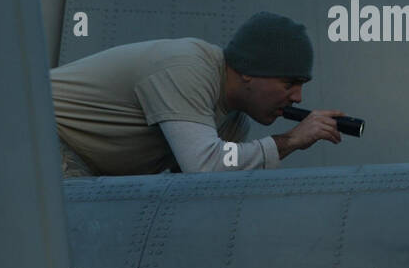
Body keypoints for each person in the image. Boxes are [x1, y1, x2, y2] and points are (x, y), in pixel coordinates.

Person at [50, 12, 342, 177]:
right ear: (250, 71)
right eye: (290, 83)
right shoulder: (188, 67)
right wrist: (291, 140)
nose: (298, 98)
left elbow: (204, 186)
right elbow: (204, 166)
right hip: (37, 137)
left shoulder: (232, 122)